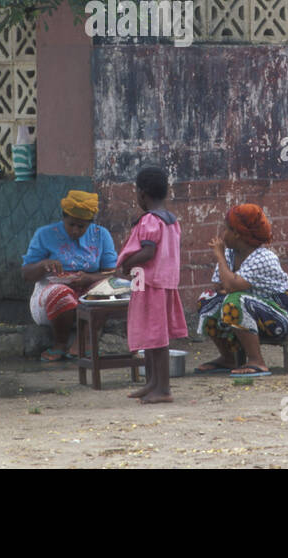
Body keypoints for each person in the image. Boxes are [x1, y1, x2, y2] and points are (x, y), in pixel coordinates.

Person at [195, 204, 288, 378]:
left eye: (226, 229)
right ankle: (228, 358)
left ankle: (257, 361)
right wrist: (227, 276)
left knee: (235, 300)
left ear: (237, 233)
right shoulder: (231, 254)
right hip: (251, 312)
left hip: (283, 317)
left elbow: (230, 287)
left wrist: (220, 258)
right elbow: (219, 286)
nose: (222, 234)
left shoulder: (263, 257)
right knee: (207, 300)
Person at [115, 166, 186, 404]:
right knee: (154, 336)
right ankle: (152, 383)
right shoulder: (171, 221)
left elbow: (148, 252)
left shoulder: (149, 221)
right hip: (162, 283)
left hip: (151, 284)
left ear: (142, 194)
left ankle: (163, 389)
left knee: (157, 338)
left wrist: (127, 264)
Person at [21, 190, 117, 361]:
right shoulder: (44, 235)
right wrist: (43, 265)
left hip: (86, 295)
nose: (75, 230)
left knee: (107, 289)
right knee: (62, 294)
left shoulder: (102, 235)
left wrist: (89, 278)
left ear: (90, 224)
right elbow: (26, 274)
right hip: (50, 300)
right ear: (63, 218)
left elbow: (112, 273)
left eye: (81, 227)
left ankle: (84, 341)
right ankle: (60, 343)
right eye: (71, 224)